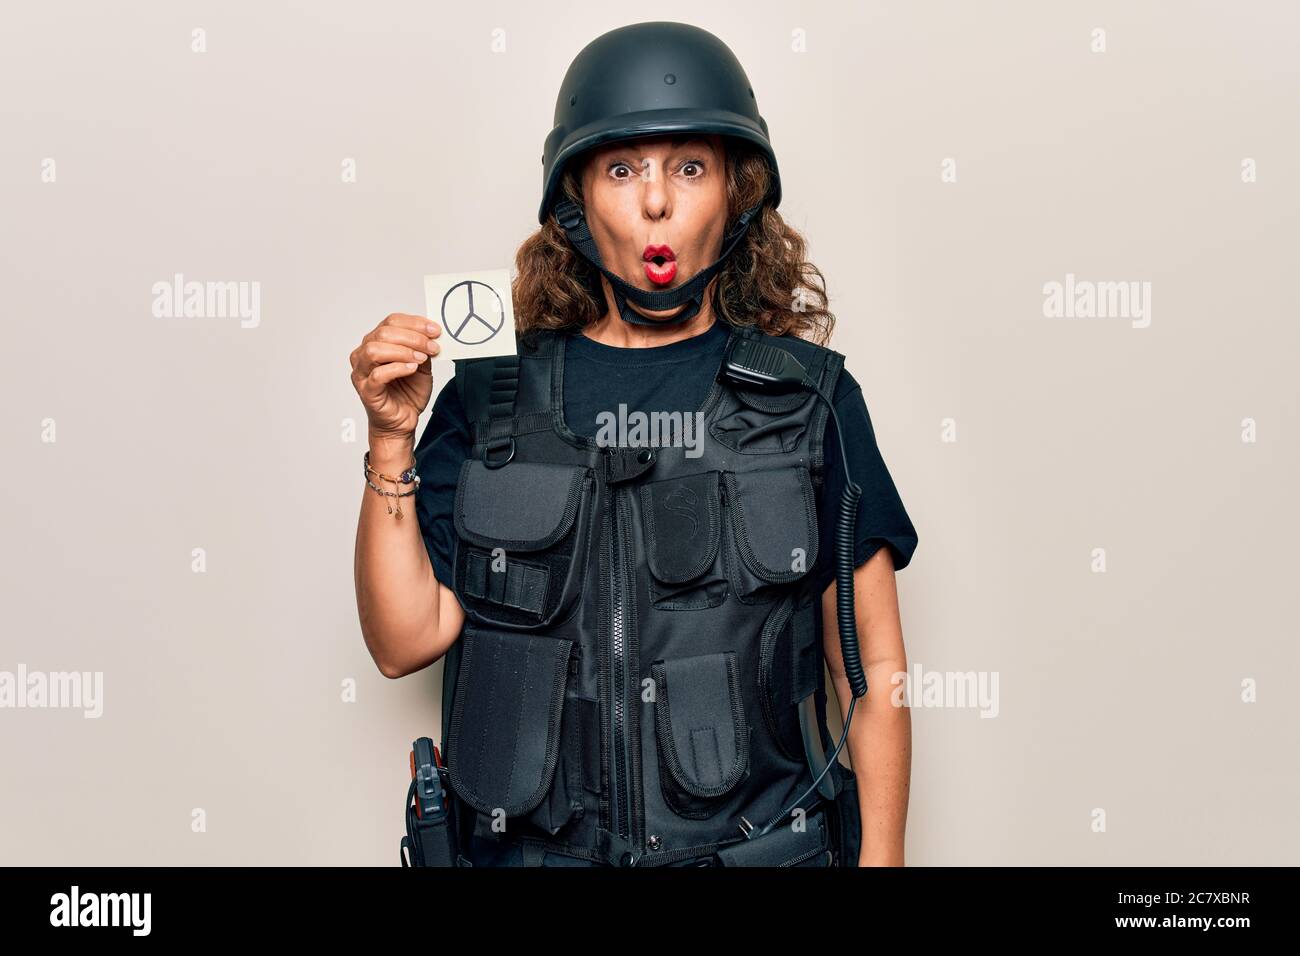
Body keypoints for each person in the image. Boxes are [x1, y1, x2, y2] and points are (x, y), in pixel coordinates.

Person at [352, 21, 917, 867]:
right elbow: (404, 642)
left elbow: (869, 676)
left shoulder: (812, 401)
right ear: (576, 199)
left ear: (736, 190)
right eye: (623, 169)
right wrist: (391, 441)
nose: (656, 201)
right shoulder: (490, 395)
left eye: (690, 167)